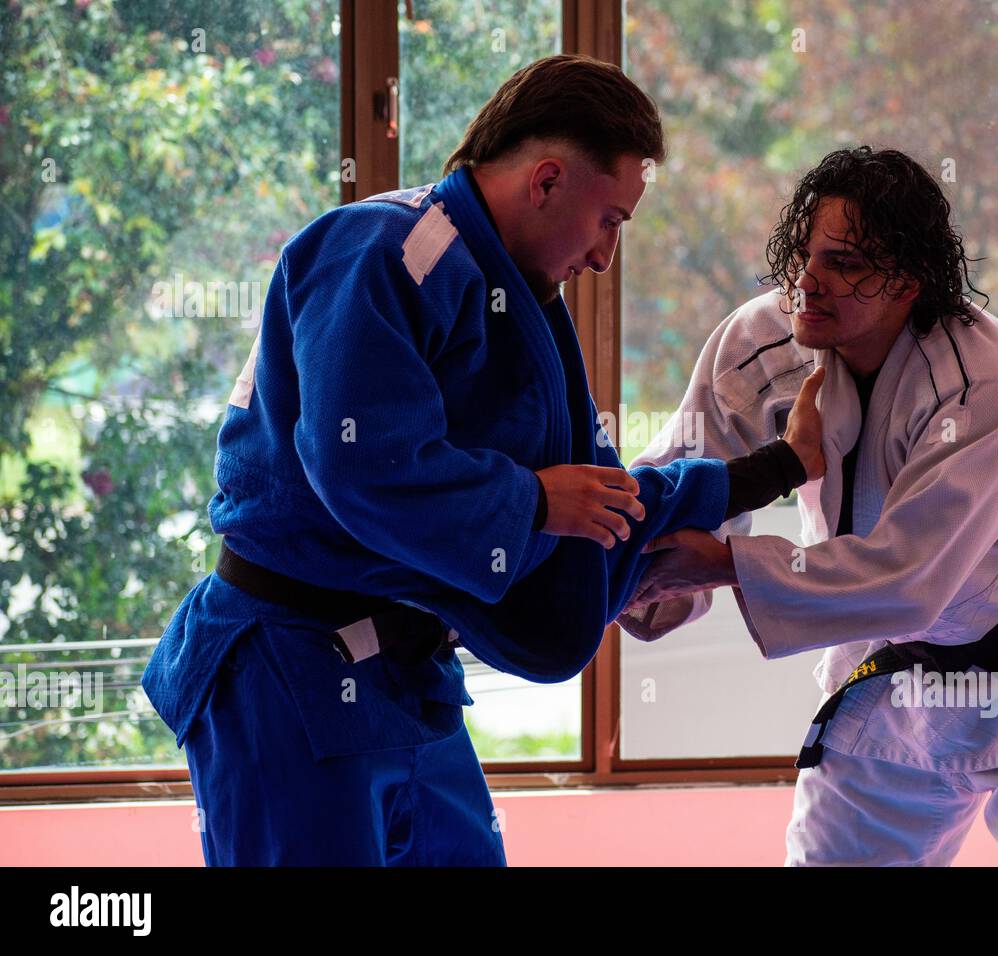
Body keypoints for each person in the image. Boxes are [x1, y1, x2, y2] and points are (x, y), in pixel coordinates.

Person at [141, 54, 824, 866]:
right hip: (291, 671)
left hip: (404, 673)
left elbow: (593, 494)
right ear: (545, 182)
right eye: (611, 220)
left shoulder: (516, 302)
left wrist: (774, 470)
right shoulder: (379, 249)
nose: (607, 256)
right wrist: (535, 506)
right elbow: (361, 463)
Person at [622, 146, 998, 866]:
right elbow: (677, 480)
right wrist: (640, 581)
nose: (810, 283)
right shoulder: (761, 343)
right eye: (805, 255)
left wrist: (718, 565)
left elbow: (908, 578)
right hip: (896, 674)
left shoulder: (987, 384)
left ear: (908, 280)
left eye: (844, 264)